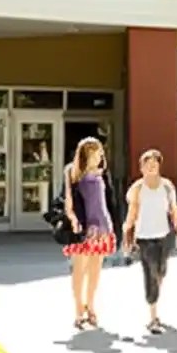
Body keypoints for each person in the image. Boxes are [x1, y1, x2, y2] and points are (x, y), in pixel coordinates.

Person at [124, 148, 177, 334]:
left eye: (155, 163)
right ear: (142, 168)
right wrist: (127, 233)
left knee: (161, 271)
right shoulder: (137, 188)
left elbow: (174, 210)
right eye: (148, 164)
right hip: (145, 237)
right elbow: (132, 213)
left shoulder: (167, 186)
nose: (152, 166)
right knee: (151, 272)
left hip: (164, 235)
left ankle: (154, 296)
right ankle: (153, 316)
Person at [62, 137, 118, 330]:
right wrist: (73, 219)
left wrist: (114, 227)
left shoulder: (103, 174)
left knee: (95, 271)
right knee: (79, 270)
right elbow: (68, 200)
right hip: (85, 228)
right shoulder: (72, 171)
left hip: (103, 227)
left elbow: (107, 203)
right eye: (94, 154)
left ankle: (91, 306)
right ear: (85, 155)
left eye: (100, 153)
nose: (99, 157)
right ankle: (78, 310)